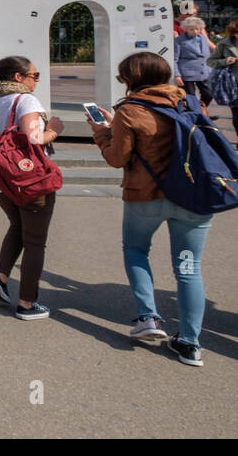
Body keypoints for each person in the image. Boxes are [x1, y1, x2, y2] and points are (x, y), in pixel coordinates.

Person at [88, 52, 212, 366]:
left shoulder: (130, 110)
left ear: (131, 79)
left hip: (146, 198)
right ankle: (189, 344)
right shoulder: (191, 103)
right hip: (193, 200)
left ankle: (148, 318)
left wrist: (103, 132)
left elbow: (117, 158)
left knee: (136, 249)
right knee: (188, 269)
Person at [0, 55, 63, 320]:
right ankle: (27, 303)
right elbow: (33, 139)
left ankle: (1, 276)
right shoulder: (25, 100)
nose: (36, 80)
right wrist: (54, 130)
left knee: (17, 226)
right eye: (34, 76)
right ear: (18, 77)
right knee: (35, 241)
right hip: (27, 179)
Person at [206, 19, 238, 141]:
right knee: (236, 116)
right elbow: (210, 61)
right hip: (233, 85)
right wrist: (225, 61)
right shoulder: (224, 44)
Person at [173, 16, 212, 106]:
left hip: (203, 71)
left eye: (197, 29)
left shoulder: (202, 38)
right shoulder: (179, 40)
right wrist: (177, 75)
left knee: (209, 94)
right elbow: (175, 59)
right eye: (191, 29)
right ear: (186, 29)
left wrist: (210, 70)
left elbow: (207, 55)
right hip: (186, 73)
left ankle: (201, 111)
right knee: (190, 97)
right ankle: (194, 115)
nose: (195, 31)